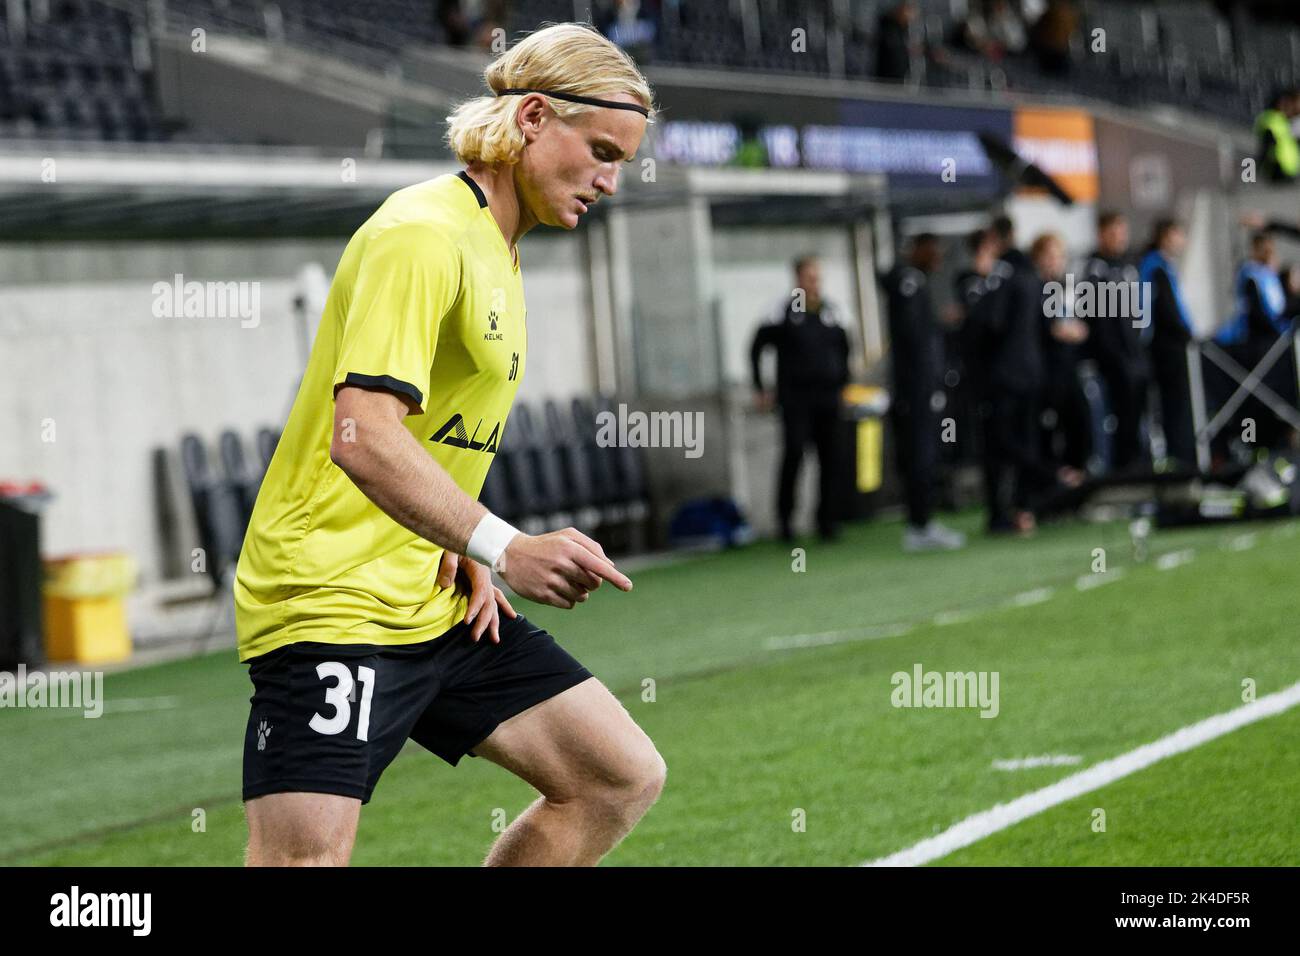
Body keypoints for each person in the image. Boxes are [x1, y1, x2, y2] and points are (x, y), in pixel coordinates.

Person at [234, 23, 664, 867]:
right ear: (535, 117)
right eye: (603, 151)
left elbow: (438, 433)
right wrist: (502, 546)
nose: (611, 182)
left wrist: (457, 541)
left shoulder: (498, 245)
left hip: (430, 597)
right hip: (331, 600)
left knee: (616, 775)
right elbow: (360, 434)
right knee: (303, 861)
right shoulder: (422, 233)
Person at [982, 220, 1083, 534]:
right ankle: (1048, 482)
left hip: (1031, 377)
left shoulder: (1030, 283)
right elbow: (1000, 325)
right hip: (1021, 377)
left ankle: (1025, 506)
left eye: (1060, 255)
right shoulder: (1021, 281)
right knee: (1012, 444)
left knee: (1018, 442)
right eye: (1051, 254)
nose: (1056, 261)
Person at [751, 256, 851, 541]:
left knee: (830, 458)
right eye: (809, 277)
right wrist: (760, 387)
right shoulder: (781, 311)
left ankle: (827, 521)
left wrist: (844, 385)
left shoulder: (833, 311)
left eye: (817, 277)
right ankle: (786, 522)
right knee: (794, 454)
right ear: (797, 279)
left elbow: (845, 350)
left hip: (829, 398)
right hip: (795, 399)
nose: (814, 283)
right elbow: (757, 347)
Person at [882, 234, 967, 552]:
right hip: (915, 389)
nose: (939, 257)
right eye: (933, 250)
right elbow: (913, 340)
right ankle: (919, 525)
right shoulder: (907, 282)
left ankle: (923, 521)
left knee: (927, 456)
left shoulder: (916, 282)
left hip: (922, 386)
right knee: (920, 456)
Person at [1212, 231, 1296, 451]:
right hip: (1257, 348)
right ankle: (1251, 444)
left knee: (1276, 401)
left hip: (1276, 348)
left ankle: (1276, 444)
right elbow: (1260, 315)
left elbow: (1282, 308)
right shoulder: (1250, 275)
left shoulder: (1270, 275)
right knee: (1253, 401)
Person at [1081, 211, 1150, 472]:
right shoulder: (1095, 269)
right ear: (1101, 235)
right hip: (1115, 359)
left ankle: (1139, 465)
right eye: (1113, 232)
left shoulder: (1128, 267)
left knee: (1139, 414)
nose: (1119, 238)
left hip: (1136, 355)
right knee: (1120, 416)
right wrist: (1114, 355)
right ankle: (1122, 470)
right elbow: (1096, 318)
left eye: (1122, 232)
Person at [1139, 218, 1198, 469]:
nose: (1182, 240)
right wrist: (1188, 336)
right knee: (1175, 406)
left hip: (1166, 345)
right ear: (1166, 235)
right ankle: (1181, 461)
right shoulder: (1154, 266)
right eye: (1178, 234)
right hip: (1164, 348)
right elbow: (1166, 312)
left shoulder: (1161, 265)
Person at [1255, 88, 1300, 184]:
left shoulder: (1283, 121)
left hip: (1289, 171)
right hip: (1278, 171)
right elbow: (1265, 148)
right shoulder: (1272, 122)